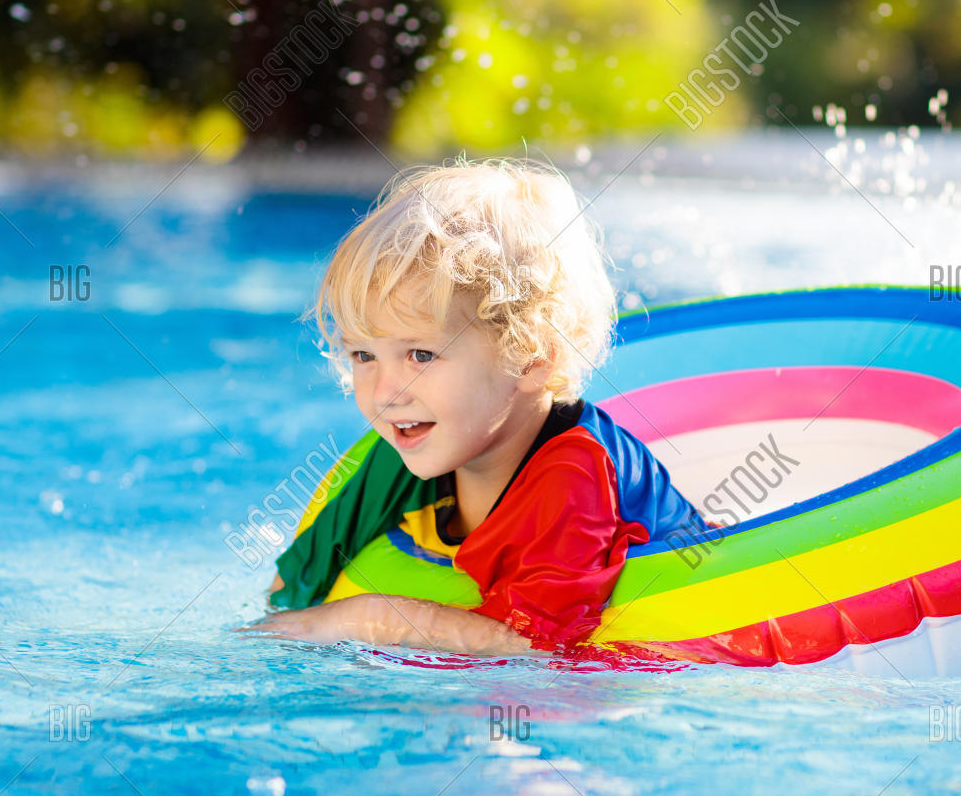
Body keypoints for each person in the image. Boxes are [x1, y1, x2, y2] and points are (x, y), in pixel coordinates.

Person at [245, 157, 705, 657]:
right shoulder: (393, 454)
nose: (385, 393)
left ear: (531, 357)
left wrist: (373, 617)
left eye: (421, 354)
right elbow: (283, 602)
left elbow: (538, 654)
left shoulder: (577, 473)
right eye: (363, 355)